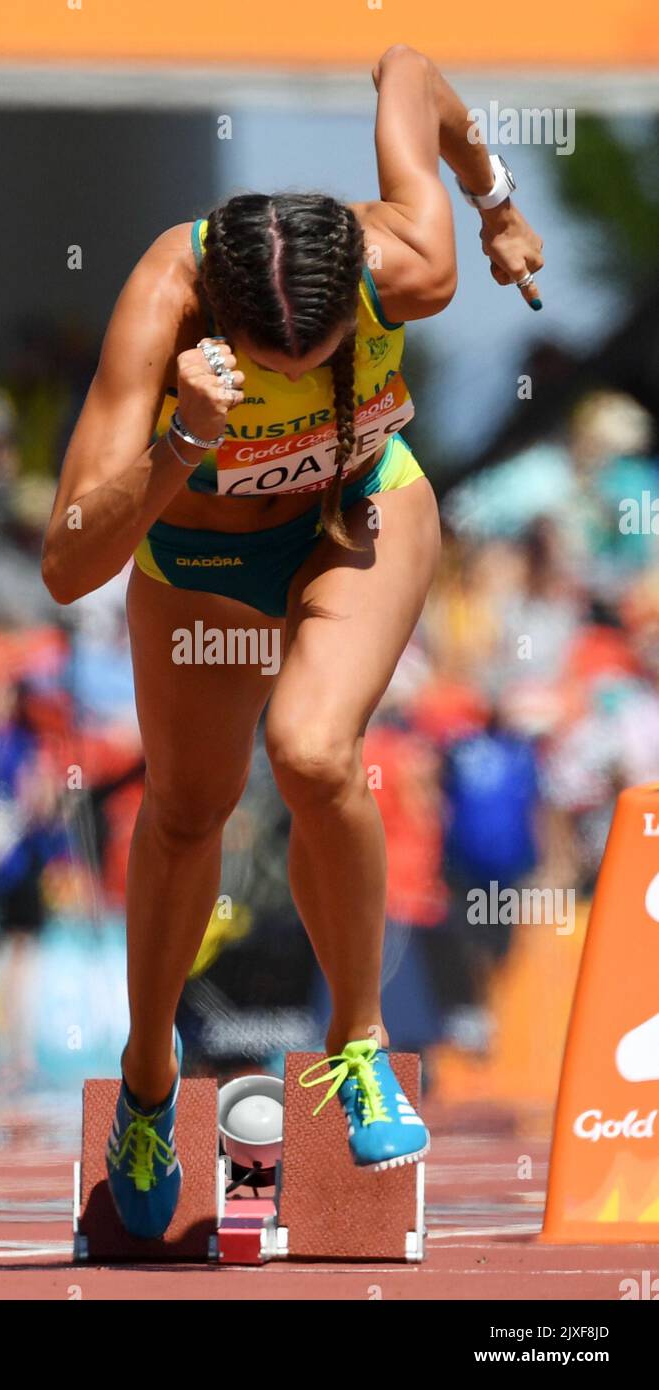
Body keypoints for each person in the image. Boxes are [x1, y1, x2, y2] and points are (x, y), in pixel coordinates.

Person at [43, 43, 544, 1237]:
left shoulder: (405, 268)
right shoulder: (161, 304)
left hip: (355, 515)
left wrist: (495, 206)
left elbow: (408, 69)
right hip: (200, 560)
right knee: (184, 813)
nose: (278, 376)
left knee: (316, 752)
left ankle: (356, 1039)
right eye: (258, 360)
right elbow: (67, 563)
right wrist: (179, 440)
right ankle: (150, 1086)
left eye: (304, 362)